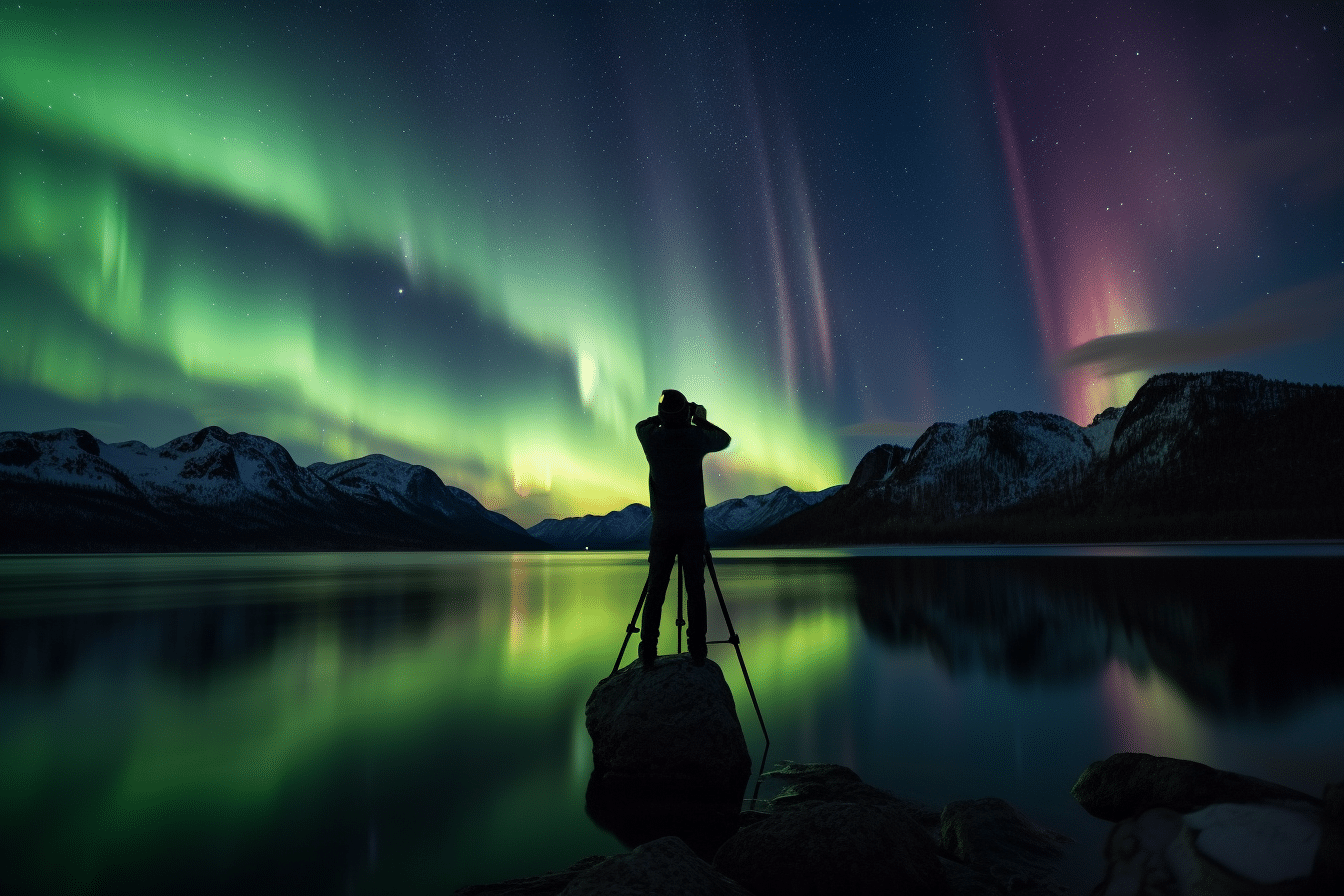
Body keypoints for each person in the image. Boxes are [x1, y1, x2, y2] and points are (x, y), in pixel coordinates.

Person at [634, 388, 731, 667]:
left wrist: (666, 417)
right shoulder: (695, 437)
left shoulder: (652, 438)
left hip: (662, 525)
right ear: (685, 414)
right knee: (695, 589)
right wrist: (697, 419)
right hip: (691, 524)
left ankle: (648, 650)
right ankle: (697, 649)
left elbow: (641, 424)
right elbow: (724, 439)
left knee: (656, 590)